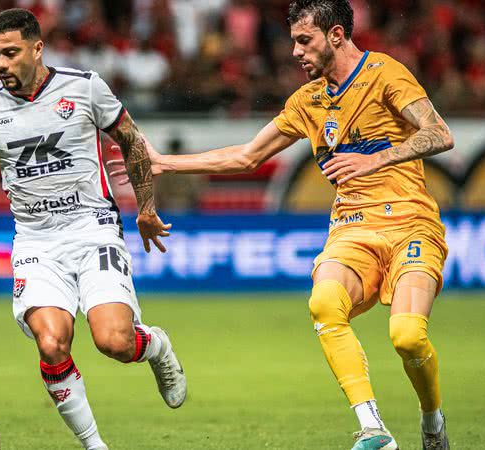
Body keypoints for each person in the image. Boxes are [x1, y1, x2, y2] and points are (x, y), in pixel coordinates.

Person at [111, 1, 453, 449]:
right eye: (294, 40)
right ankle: (373, 429)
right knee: (324, 304)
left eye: (303, 40)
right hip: (352, 229)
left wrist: (375, 159)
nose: (294, 51)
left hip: (412, 224)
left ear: (335, 35)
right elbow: (246, 156)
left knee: (407, 337)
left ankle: (431, 421)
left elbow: (439, 133)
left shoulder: (386, 74)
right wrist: (166, 164)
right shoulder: (307, 101)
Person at [0, 9, 186, 450]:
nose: (2, 64)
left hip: (94, 228)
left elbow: (131, 140)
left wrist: (145, 207)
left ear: (37, 48)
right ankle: (94, 446)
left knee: (114, 341)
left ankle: (155, 346)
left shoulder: (83, 87)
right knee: (52, 344)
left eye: (11, 53)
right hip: (35, 241)